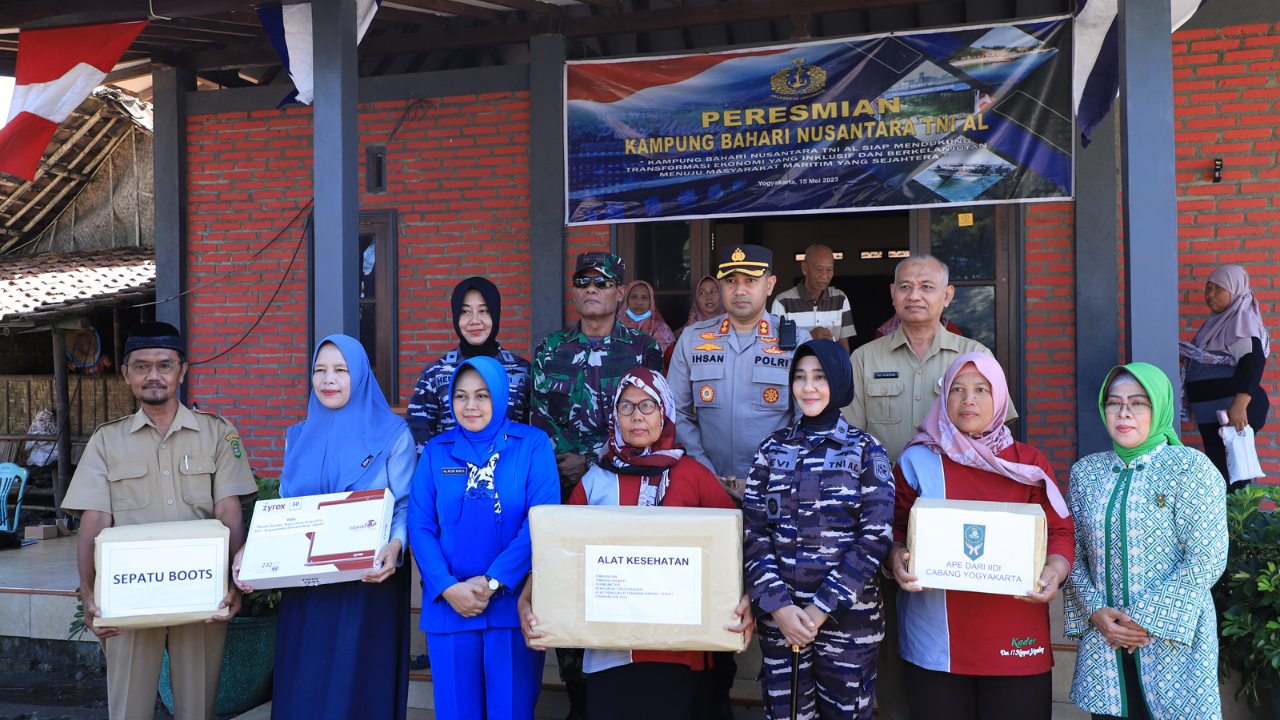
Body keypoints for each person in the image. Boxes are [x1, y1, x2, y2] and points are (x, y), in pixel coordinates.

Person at [517, 368, 754, 720]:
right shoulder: (595, 482)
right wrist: (527, 597)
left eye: (648, 405)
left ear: (665, 412)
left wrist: (747, 598)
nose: (637, 416)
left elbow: (736, 548)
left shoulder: (694, 476)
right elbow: (559, 552)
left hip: (684, 651)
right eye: (625, 407)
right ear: (614, 416)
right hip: (611, 650)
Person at [842, 254, 1013, 720]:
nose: (914, 295)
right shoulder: (864, 359)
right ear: (893, 294)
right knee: (890, 636)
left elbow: (1000, 444)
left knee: (952, 630)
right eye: (904, 286)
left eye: (926, 286)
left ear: (947, 295)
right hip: (882, 520)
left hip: (959, 530)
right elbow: (849, 443)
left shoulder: (974, 356)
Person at [61, 322, 257, 720]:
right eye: (142, 366)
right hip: (129, 595)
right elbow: (94, 520)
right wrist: (88, 594)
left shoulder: (218, 434)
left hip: (202, 594)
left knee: (196, 708)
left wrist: (234, 581)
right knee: (129, 708)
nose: (154, 375)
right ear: (127, 374)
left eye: (165, 365)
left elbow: (228, 510)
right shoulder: (106, 441)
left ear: (182, 371)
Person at [232, 335, 415, 719]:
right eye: (319, 370)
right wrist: (254, 551)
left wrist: (396, 547)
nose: (328, 379)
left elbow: (403, 506)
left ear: (361, 374)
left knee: (358, 682)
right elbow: (286, 508)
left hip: (368, 581)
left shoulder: (393, 433)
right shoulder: (298, 435)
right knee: (306, 680)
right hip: (308, 584)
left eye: (341, 370)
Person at [885, 353, 1074, 720]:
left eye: (981, 389)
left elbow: (1060, 530)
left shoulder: (1028, 463)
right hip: (937, 638)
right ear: (944, 399)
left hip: (1016, 636)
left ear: (1000, 397)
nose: (968, 399)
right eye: (957, 389)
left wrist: (1055, 569)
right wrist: (894, 557)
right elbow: (892, 528)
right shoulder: (916, 461)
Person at [667, 244, 811, 720]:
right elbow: (678, 414)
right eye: (730, 280)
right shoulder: (693, 339)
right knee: (708, 603)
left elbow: (804, 418)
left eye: (751, 280)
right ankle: (711, 702)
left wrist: (758, 479)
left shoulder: (796, 341)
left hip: (774, 500)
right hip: (704, 498)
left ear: (770, 284)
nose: (739, 289)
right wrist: (708, 476)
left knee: (774, 609)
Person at [531, 251, 663, 719]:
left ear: (620, 292)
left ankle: (620, 690)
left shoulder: (643, 349)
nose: (592, 288)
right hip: (567, 494)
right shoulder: (551, 349)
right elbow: (540, 416)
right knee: (571, 591)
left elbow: (649, 416)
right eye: (583, 281)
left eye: (602, 282)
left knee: (621, 585)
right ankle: (578, 696)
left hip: (626, 496)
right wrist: (566, 461)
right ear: (573, 290)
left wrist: (591, 460)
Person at [1063, 363, 1228, 720]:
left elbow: (1206, 557)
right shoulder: (1087, 473)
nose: (1124, 413)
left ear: (1160, 407)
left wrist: (1143, 619)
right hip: (1104, 637)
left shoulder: (1189, 468)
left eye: (1138, 403)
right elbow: (1072, 552)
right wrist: (1095, 611)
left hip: (1172, 640)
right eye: (1114, 403)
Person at [743, 339, 895, 720]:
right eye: (799, 377)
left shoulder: (866, 451)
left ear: (840, 382)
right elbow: (753, 532)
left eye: (820, 377)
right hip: (782, 622)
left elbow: (875, 537)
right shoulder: (771, 449)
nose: (808, 387)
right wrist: (777, 607)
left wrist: (820, 609)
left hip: (849, 626)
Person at [409, 355, 561, 720]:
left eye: (482, 395)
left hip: (511, 605)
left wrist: (492, 582)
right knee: (456, 712)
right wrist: (447, 587)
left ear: (501, 395)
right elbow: (421, 525)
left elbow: (541, 521)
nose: (470, 405)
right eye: (460, 396)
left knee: (511, 711)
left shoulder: (532, 445)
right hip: (449, 605)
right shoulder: (436, 452)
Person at [406, 277, 532, 454]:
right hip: (451, 474)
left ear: (495, 314)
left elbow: (533, 435)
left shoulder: (523, 371)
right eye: (465, 312)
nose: (474, 320)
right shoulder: (434, 374)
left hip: (510, 475)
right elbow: (419, 445)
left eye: (484, 311)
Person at [1179, 264, 1270, 490]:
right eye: (1208, 288)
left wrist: (1239, 405)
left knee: (1233, 476)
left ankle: (1240, 524)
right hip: (1216, 412)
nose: (1210, 295)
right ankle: (1232, 523)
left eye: (1218, 289)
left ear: (1235, 289)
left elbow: (1254, 360)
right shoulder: (1217, 325)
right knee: (1222, 472)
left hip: (1232, 412)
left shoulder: (1241, 322)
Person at [770, 244, 856, 352]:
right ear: (804, 268)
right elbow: (774, 345)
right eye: (819, 269)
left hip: (829, 368)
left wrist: (844, 368)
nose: (824, 276)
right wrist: (809, 337)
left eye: (829, 270)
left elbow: (843, 344)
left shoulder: (840, 299)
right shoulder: (783, 302)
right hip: (796, 368)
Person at [617, 280, 676, 352]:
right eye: (634, 297)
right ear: (627, 300)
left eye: (644, 297)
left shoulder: (662, 330)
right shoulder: (615, 326)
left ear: (651, 301)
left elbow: (670, 361)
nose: (638, 302)